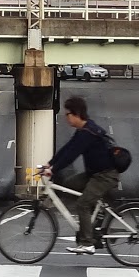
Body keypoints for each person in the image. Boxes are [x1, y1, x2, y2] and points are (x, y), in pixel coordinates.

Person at [41, 95, 119, 255]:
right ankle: (95, 215)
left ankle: (87, 243)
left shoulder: (87, 133)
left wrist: (53, 170)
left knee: (82, 204)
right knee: (69, 185)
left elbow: (71, 156)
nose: (66, 117)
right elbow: (68, 148)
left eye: (67, 114)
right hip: (94, 174)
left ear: (76, 113)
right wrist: (50, 163)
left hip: (104, 176)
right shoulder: (84, 129)